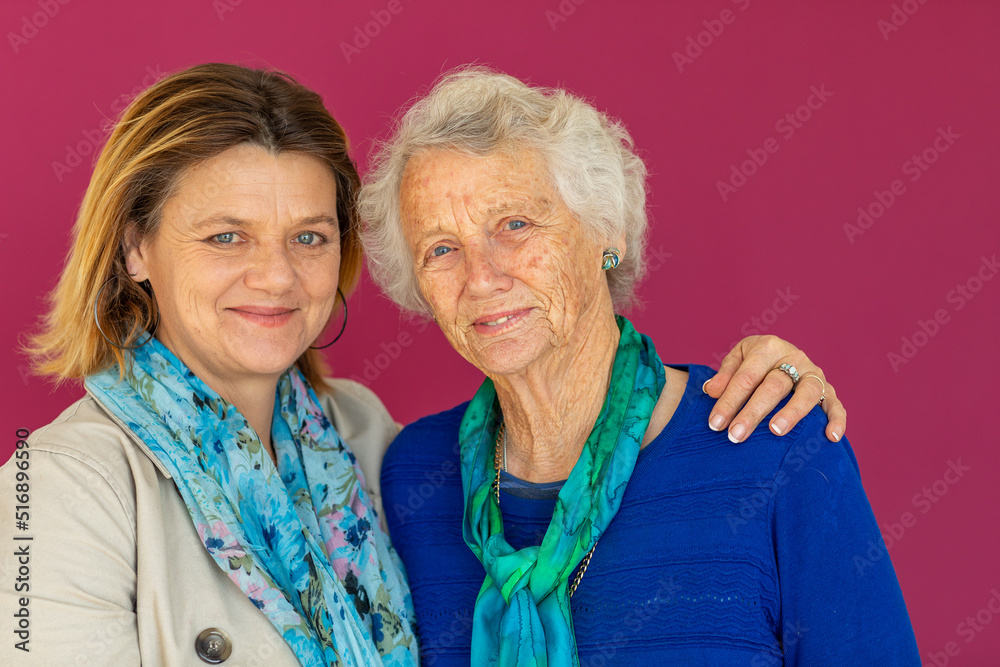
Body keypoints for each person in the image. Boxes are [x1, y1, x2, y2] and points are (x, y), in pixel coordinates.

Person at [1, 62, 846, 666]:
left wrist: (765, 383)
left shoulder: (377, 448)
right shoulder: (59, 489)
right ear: (135, 248)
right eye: (226, 236)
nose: (275, 275)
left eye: (308, 236)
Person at [361, 67, 921, 665]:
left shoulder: (774, 446)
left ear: (607, 230)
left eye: (515, 225)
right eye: (441, 248)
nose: (480, 277)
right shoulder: (413, 475)